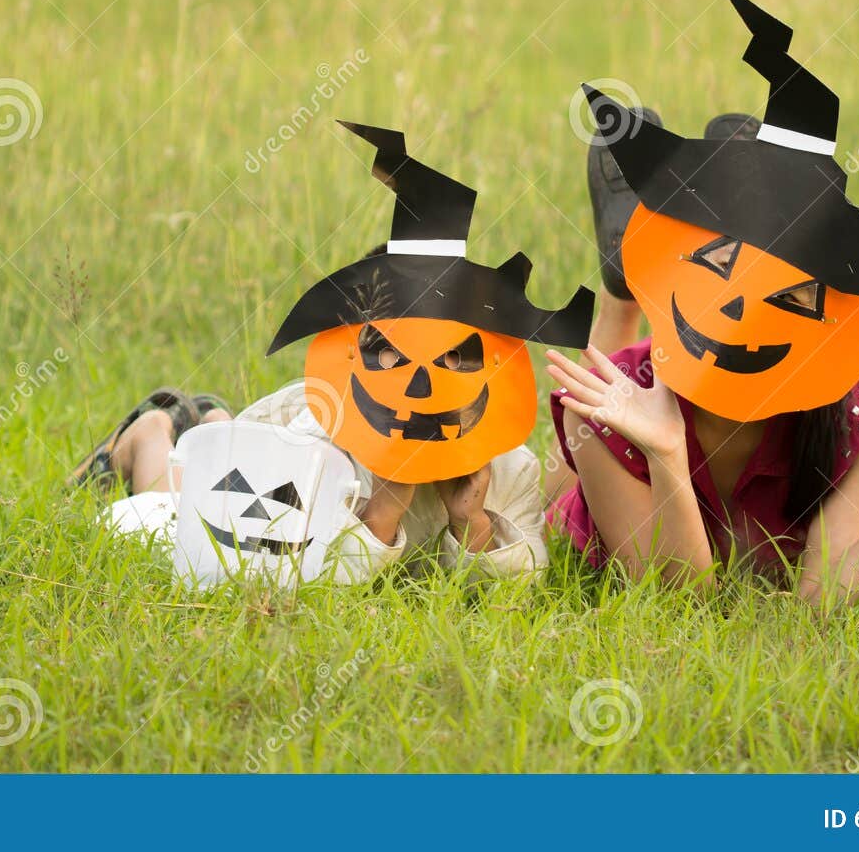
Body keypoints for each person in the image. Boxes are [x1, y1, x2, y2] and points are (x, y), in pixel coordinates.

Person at [545, 0, 859, 605]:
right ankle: (626, 285)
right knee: (539, 489)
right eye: (722, 265)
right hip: (619, 441)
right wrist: (663, 452)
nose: (744, 313)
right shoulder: (608, 406)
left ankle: (663, 236)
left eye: (791, 298)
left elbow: (825, 604)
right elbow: (678, 601)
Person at [72, 121, 594, 585]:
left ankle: (209, 415)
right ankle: (150, 438)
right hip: (267, 448)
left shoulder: (509, 466)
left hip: (294, 441)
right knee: (172, 520)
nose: (424, 385)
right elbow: (288, 569)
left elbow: (522, 582)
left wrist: (472, 523)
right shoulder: (313, 449)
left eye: (455, 357)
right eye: (390, 354)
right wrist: (383, 509)